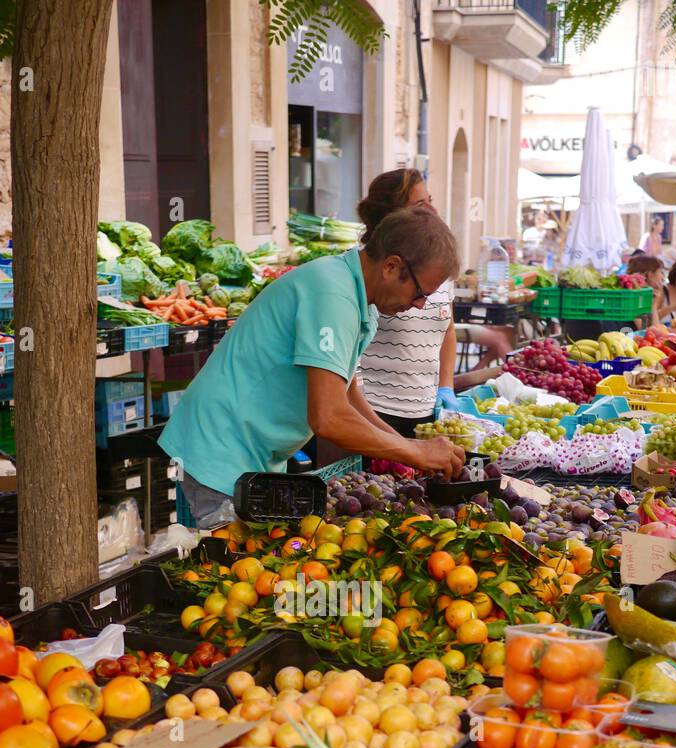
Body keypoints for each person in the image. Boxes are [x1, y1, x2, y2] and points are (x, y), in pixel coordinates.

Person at [159, 208, 465, 528]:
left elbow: (348, 395)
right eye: (420, 293)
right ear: (391, 266)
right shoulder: (332, 295)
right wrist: (414, 452)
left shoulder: (361, 300)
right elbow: (328, 418)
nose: (419, 306)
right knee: (230, 554)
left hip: (252, 453)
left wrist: (407, 447)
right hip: (221, 449)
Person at [355, 169, 460, 435]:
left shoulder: (437, 267)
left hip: (426, 411)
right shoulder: (368, 272)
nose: (432, 211)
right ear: (393, 217)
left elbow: (447, 330)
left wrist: (445, 387)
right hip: (373, 409)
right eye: (420, 204)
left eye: (430, 200)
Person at [625, 254, 665, 325]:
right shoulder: (634, 296)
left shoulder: (641, 294)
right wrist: (653, 306)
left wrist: (653, 304)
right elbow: (646, 328)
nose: (662, 277)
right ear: (650, 275)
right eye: (660, 272)